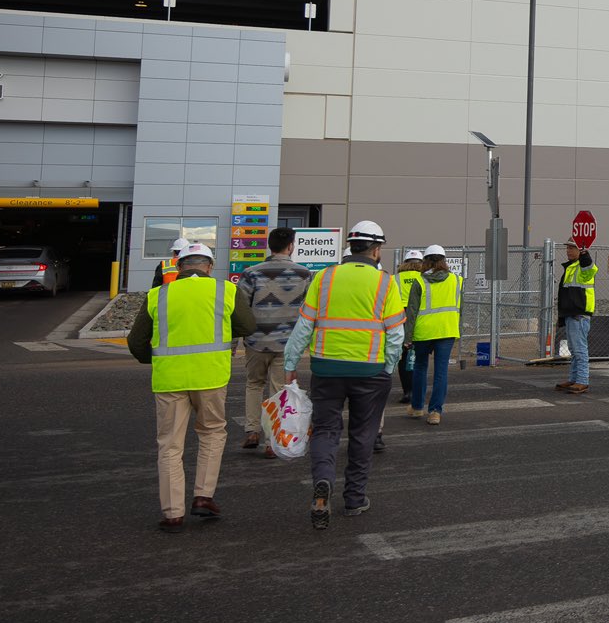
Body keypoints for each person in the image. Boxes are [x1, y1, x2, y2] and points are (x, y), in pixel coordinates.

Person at [282, 220, 407, 529]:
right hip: (370, 371)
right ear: (376, 249)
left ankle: (323, 482)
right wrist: (388, 367)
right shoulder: (386, 283)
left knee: (325, 430)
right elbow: (395, 335)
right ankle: (354, 499)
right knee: (363, 434)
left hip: (326, 369)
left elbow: (303, 326)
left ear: (350, 246)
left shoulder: (324, 277)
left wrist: (290, 364)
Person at [128, 242, 255, 531]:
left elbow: (136, 342)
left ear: (179, 266)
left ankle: (172, 512)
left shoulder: (158, 294)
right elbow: (248, 326)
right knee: (211, 433)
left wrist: (155, 359)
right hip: (211, 376)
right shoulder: (225, 290)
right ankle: (203, 497)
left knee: (170, 445)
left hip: (169, 379)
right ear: (209, 266)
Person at [235, 227, 313, 456]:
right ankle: (272, 441)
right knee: (279, 390)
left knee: (254, 384)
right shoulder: (305, 274)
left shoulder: (251, 273)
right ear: (291, 246)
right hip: (287, 344)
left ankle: (252, 431)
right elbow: (309, 311)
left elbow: (240, 310)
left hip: (256, 341)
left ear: (269, 246)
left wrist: (235, 342)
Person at [407, 243, 460, 424]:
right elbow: (460, 307)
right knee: (441, 371)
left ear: (426, 261)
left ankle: (416, 408)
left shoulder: (419, 281)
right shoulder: (456, 280)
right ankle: (435, 412)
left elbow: (412, 311)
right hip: (447, 330)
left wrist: (408, 337)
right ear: (444, 261)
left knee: (420, 367)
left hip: (423, 332)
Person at [556, 240, 597, 394]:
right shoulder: (571, 267)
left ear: (580, 250)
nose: (568, 250)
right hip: (571, 313)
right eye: (567, 247)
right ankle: (574, 379)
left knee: (579, 350)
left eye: (572, 248)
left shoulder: (583, 266)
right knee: (574, 350)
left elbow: (589, 267)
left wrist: (585, 253)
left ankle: (582, 381)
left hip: (579, 314)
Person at [393, 249, 426, 405]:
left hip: (399, 317)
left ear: (404, 263)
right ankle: (418, 392)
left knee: (404, 356)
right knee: (419, 357)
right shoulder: (424, 277)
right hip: (419, 316)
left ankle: (407, 391)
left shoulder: (395, 278)